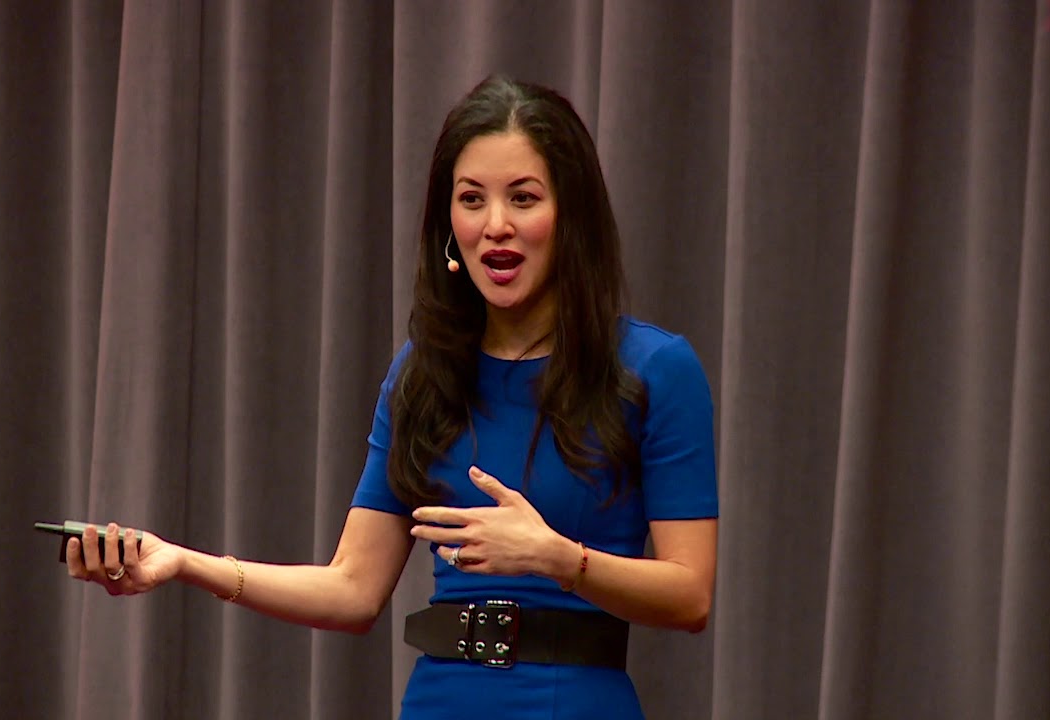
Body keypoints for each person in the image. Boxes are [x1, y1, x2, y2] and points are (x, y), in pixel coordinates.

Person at [66, 75, 718, 719]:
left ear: (570, 215)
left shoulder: (654, 369)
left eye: (523, 198)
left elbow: (691, 597)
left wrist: (560, 559)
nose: (495, 226)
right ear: (447, 223)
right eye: (471, 200)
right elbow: (352, 589)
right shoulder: (423, 375)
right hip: (440, 701)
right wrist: (183, 563)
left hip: (575, 702)